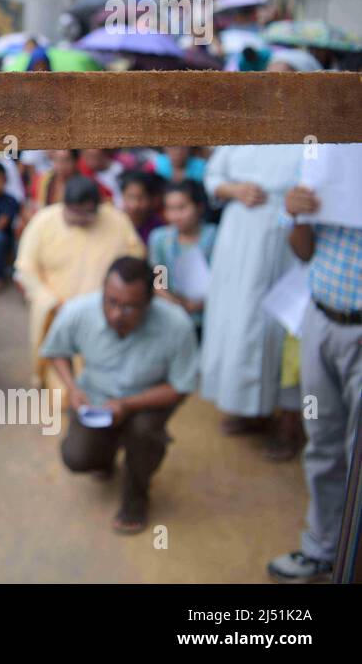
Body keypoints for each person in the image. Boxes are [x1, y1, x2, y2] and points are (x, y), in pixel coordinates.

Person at [43, 257, 199, 534]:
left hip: (149, 399)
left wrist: (128, 405)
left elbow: (180, 386)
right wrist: (73, 389)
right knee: (77, 458)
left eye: (129, 307)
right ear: (102, 291)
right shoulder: (78, 311)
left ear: (150, 302)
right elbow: (57, 351)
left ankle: (136, 498)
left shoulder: (177, 325)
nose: (117, 313)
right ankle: (105, 453)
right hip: (96, 398)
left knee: (142, 431)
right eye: (111, 301)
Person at [268, 144, 362, 583]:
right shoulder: (331, 156)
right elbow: (304, 252)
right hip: (321, 319)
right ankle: (322, 549)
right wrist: (298, 213)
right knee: (323, 440)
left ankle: (350, 559)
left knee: (357, 452)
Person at [199, 143, 303, 436]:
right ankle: (247, 406)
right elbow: (212, 178)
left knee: (283, 322)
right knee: (238, 320)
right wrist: (235, 190)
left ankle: (289, 419)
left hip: (288, 236)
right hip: (240, 236)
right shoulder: (242, 133)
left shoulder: (312, 139)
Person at [15, 176, 145, 387]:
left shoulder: (118, 221)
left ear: (98, 208)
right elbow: (25, 268)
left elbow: (136, 260)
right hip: (56, 313)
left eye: (85, 214)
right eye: (73, 212)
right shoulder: (43, 221)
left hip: (104, 316)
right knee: (59, 380)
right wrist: (51, 302)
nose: (78, 219)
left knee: (100, 377)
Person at [148, 180, 217, 340]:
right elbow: (159, 282)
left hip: (211, 318)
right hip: (173, 319)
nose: (175, 215)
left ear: (199, 207)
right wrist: (179, 305)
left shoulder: (214, 236)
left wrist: (201, 304)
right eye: (170, 209)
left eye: (182, 208)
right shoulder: (160, 239)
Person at [120, 170, 165, 245]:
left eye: (141, 198)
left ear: (152, 199)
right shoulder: (114, 223)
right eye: (130, 197)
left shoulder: (159, 229)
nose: (135, 205)